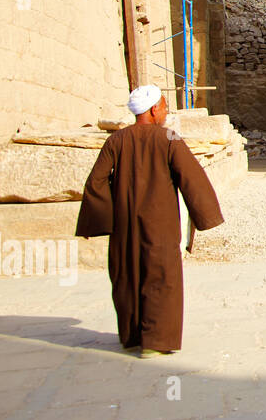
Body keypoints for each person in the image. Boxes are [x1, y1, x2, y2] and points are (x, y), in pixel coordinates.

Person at [76, 85, 224, 358]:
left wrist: (98, 220)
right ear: (154, 109)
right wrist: (206, 216)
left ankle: (132, 337)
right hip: (160, 224)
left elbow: (96, 182)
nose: (166, 112)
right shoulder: (168, 138)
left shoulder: (116, 141)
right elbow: (191, 179)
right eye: (165, 107)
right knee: (160, 276)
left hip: (123, 225)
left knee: (126, 276)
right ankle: (155, 341)